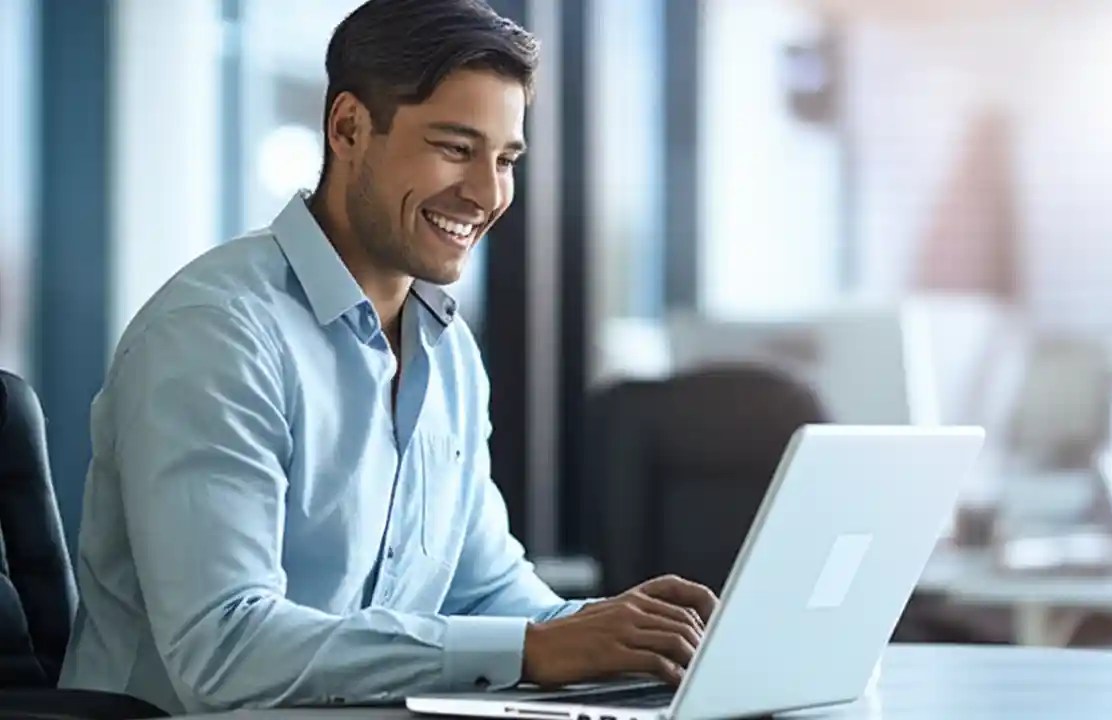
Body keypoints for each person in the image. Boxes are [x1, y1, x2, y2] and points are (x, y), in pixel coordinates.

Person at [59, 0, 716, 713]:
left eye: (505, 160)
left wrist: (636, 635)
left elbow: (489, 597)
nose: (488, 194)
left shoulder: (448, 352)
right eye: (455, 149)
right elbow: (225, 647)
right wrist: (533, 648)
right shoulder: (217, 333)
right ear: (348, 128)